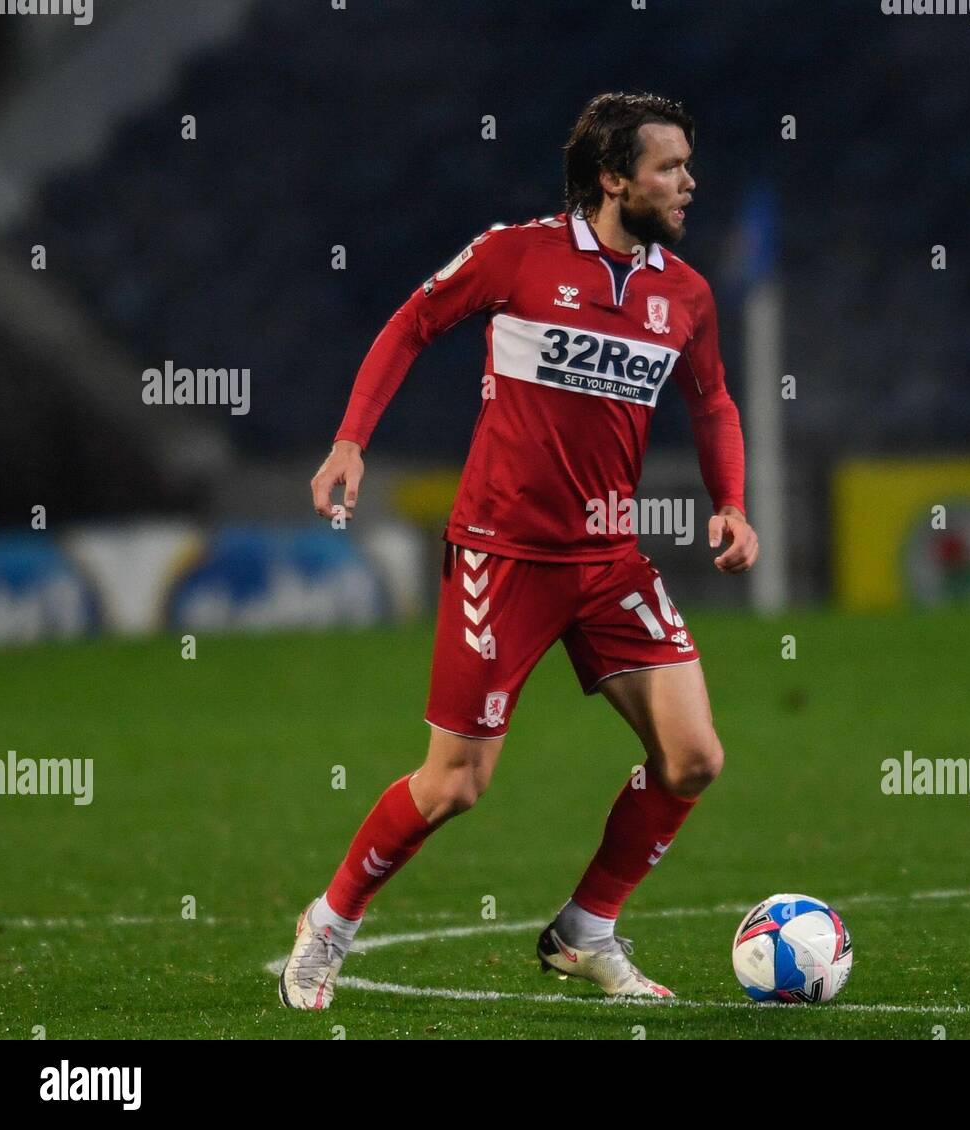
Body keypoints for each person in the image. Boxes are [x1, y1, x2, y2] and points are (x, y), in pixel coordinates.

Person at [280, 91, 758, 1009]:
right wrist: (350, 440)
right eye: (670, 167)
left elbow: (712, 403)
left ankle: (584, 931)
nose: (690, 182)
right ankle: (330, 921)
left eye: (689, 165)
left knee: (693, 756)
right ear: (614, 178)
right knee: (456, 784)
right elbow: (413, 322)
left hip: (609, 560)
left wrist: (730, 503)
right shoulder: (517, 254)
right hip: (502, 560)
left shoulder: (684, 295)